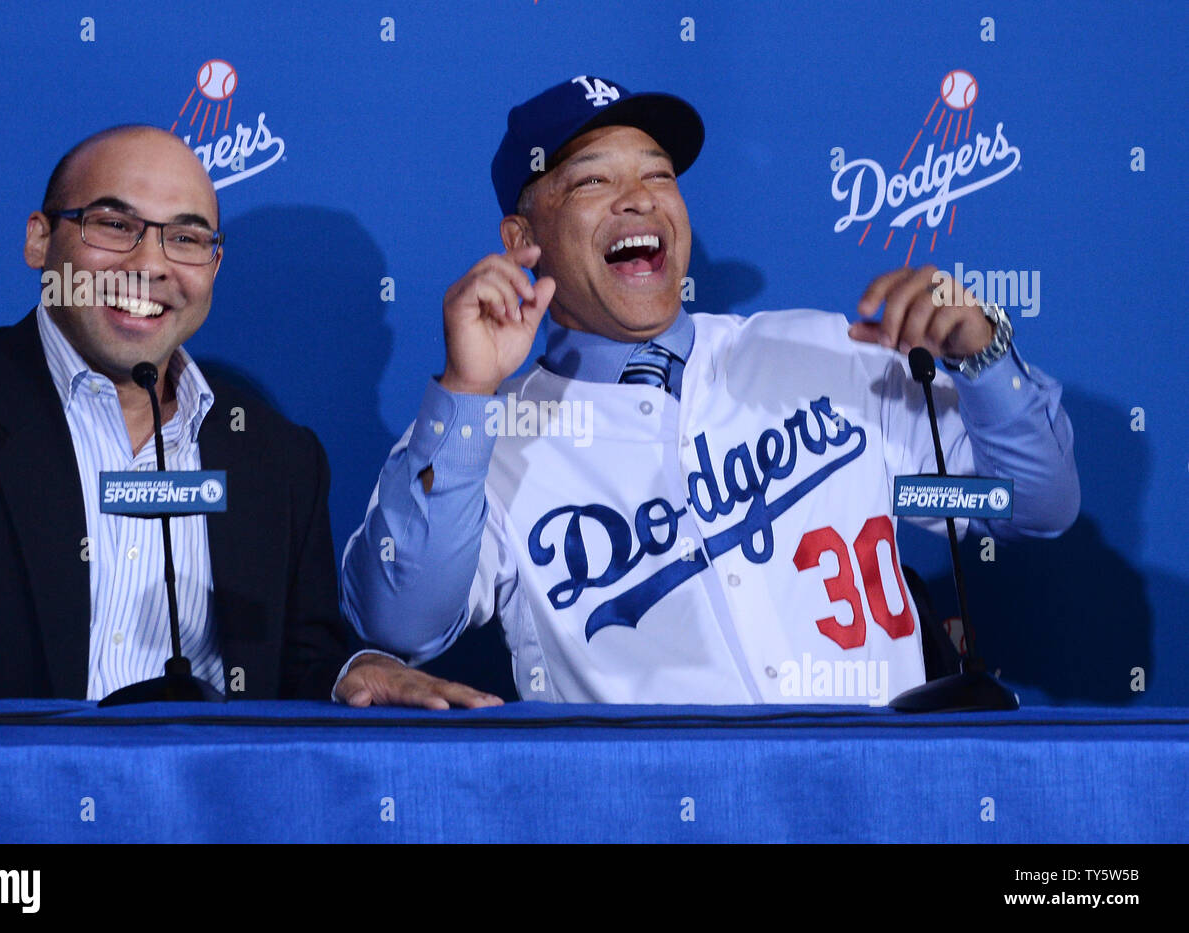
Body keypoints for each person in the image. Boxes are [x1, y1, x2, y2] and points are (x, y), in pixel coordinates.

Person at [341, 75, 1079, 704]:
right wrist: (467, 391)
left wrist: (985, 362)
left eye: (658, 174)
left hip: (876, 799)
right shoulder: (483, 444)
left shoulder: (830, 355)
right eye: (595, 179)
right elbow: (402, 621)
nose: (639, 200)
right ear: (520, 240)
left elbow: (1024, 505)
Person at [0, 124, 499, 708]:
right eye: (113, 223)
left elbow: (297, 664)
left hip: (213, 805)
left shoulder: (277, 457)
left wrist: (350, 671)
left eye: (185, 239)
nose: (150, 266)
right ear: (39, 240)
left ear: (212, 266)